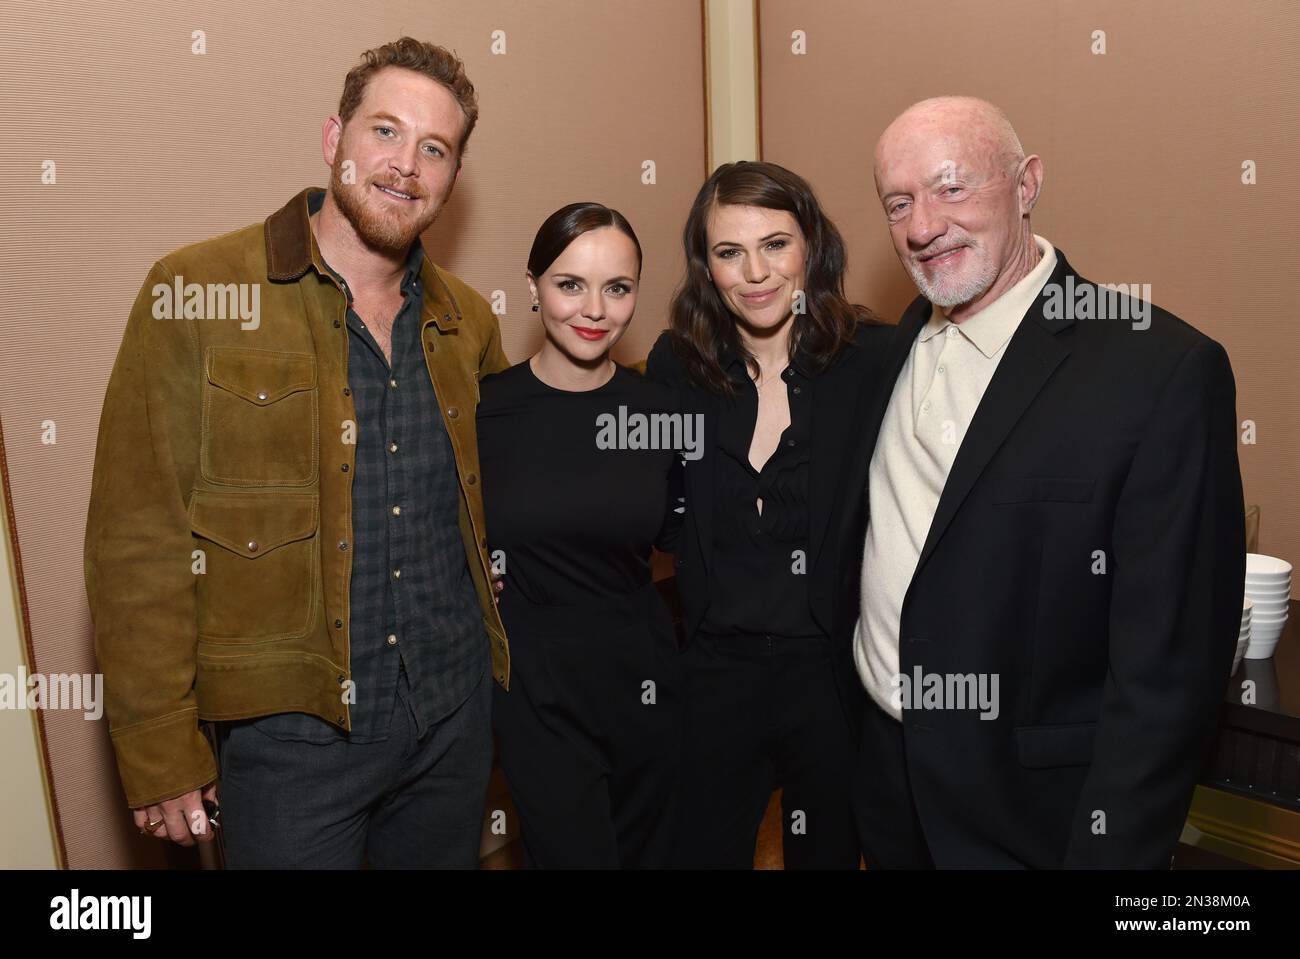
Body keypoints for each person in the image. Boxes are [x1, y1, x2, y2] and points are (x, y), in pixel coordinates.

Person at [84, 37, 510, 867]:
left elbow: (505, 494)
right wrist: (160, 746)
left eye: (435, 148)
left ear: (453, 178)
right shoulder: (198, 292)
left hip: (453, 722)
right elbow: (138, 536)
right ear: (333, 140)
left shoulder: (468, 323)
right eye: (385, 132)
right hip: (289, 742)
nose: (405, 165)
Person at [828, 95, 1245, 868]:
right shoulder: (883, 356)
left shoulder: (1157, 371)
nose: (922, 225)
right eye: (899, 201)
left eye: (952, 186)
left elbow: (1170, 674)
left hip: (1033, 815)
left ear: (1026, 185)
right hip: (884, 781)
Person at [646, 161, 891, 868]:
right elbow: (651, 505)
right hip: (713, 671)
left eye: (775, 244)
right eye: (729, 251)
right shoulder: (677, 363)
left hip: (831, 676)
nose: (755, 272)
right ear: (706, 266)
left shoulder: (874, 361)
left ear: (811, 246)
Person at [477, 203, 684, 868]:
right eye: (570, 284)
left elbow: (693, 533)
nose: (594, 308)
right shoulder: (484, 410)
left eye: (617, 288)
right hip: (538, 692)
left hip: (645, 679)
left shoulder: (658, 412)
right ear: (533, 286)